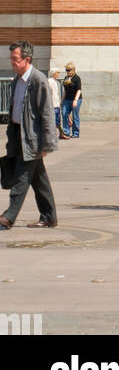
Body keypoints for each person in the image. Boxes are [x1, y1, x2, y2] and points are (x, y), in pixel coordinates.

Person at [0, 41, 58, 230]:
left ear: (27, 59)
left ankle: (8, 217)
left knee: (22, 177)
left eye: (16, 59)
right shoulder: (17, 79)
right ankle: (49, 217)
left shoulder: (38, 80)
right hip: (18, 135)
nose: (13, 63)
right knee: (39, 179)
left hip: (33, 139)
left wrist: (48, 144)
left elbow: (47, 113)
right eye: (11, 59)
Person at [61, 62, 82, 138]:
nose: (67, 71)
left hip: (75, 99)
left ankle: (75, 133)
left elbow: (79, 90)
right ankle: (66, 132)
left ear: (73, 70)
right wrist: (62, 100)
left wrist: (75, 100)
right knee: (64, 113)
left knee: (75, 116)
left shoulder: (77, 78)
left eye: (69, 70)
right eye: (66, 70)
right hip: (67, 99)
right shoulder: (66, 78)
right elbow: (65, 90)